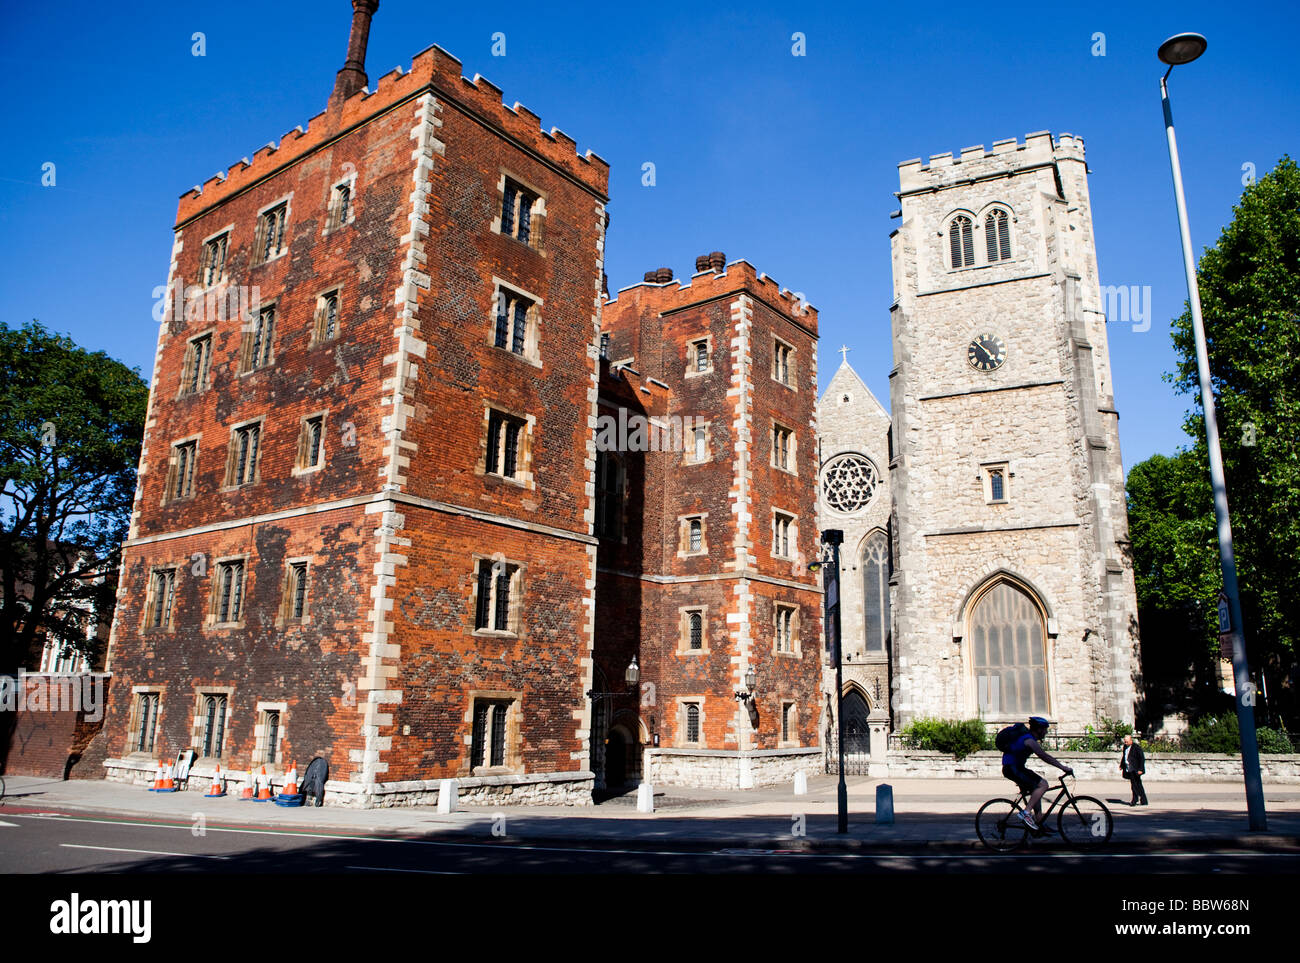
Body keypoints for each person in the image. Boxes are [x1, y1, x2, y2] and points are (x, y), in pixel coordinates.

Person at [1002, 716, 1073, 831]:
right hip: (1013, 768)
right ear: (1039, 729)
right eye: (1045, 729)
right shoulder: (1029, 740)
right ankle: (1025, 813)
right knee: (1043, 785)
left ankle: (1039, 824)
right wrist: (1063, 767)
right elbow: (1044, 756)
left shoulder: (1029, 739)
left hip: (1015, 767)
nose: (1046, 732)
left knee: (1036, 791)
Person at [1120, 733, 1148, 806]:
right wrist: (1121, 765)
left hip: (1135, 769)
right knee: (1138, 784)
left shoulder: (1136, 747)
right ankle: (1143, 800)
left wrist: (1140, 769)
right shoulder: (1125, 747)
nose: (1125, 743)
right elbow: (1124, 757)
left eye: (1127, 741)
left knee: (1134, 785)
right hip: (1129, 768)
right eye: (1125, 741)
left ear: (1131, 740)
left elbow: (1141, 758)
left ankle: (1134, 800)